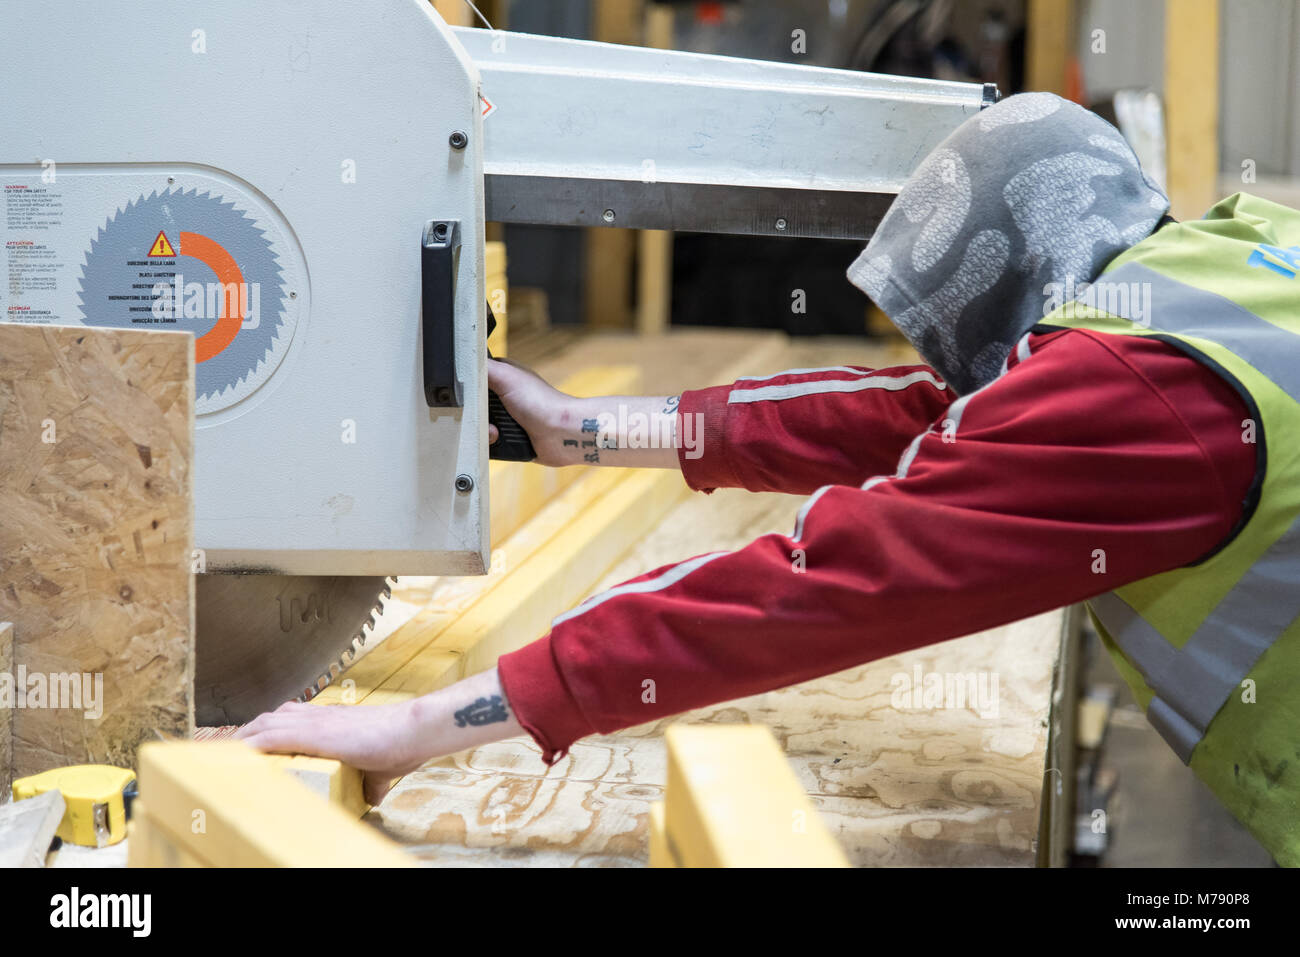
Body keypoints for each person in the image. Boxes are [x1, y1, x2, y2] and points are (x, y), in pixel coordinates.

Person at [236, 92, 1300, 864]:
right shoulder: (1220, 270)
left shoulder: (1137, 395)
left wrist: (420, 724)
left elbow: (820, 582)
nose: (949, 372)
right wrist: (584, 430)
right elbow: (928, 417)